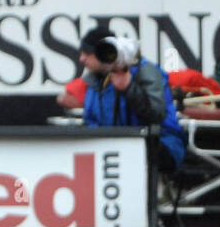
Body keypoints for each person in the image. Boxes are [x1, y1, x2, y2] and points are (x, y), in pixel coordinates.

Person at [79, 30, 185, 173]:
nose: (82, 59)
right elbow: (89, 122)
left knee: (138, 157)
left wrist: (128, 88)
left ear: (105, 52)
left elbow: (157, 115)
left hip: (160, 143)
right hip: (113, 148)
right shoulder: (94, 81)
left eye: (87, 53)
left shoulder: (146, 70)